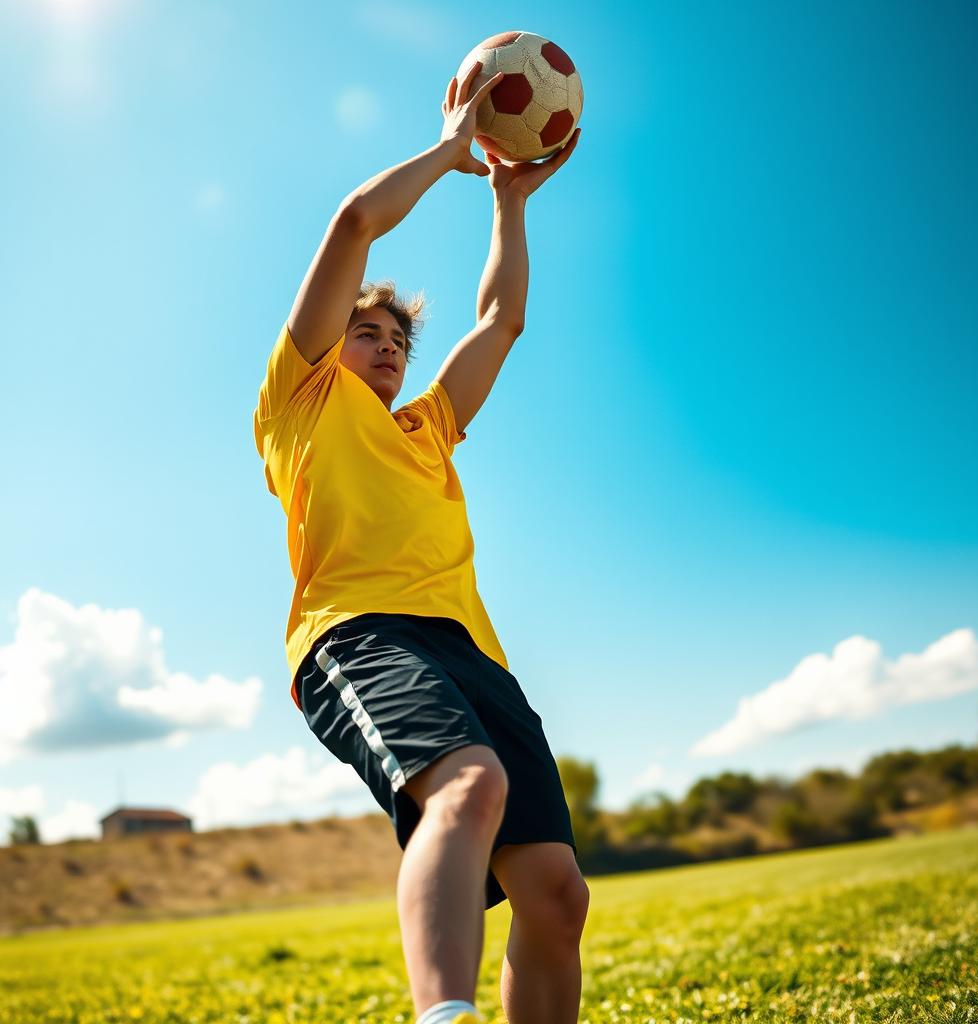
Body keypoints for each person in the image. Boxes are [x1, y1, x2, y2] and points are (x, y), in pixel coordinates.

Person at [252, 61, 586, 1024]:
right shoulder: (300, 402)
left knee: (557, 892)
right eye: (368, 331)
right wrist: (451, 153)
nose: (389, 345)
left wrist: (511, 202)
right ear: (327, 344)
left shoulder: (426, 427)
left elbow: (502, 320)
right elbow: (354, 226)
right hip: (357, 635)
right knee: (468, 782)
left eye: (398, 338)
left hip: (470, 652)